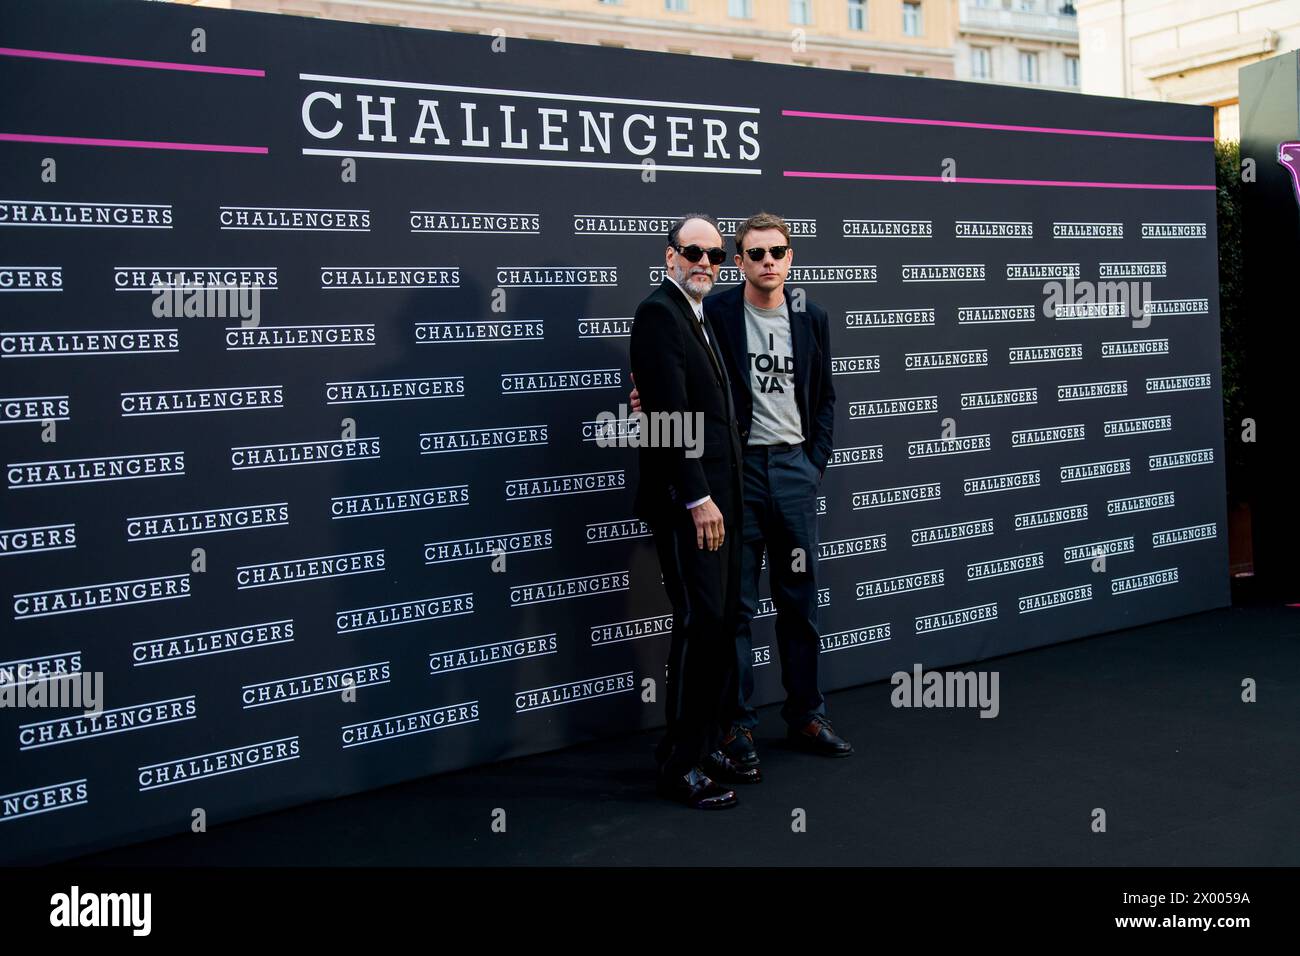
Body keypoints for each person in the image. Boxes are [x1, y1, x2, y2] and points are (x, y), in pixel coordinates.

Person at [631, 211, 852, 774]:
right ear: (742, 262)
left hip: (795, 471)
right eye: (753, 254)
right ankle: (735, 727)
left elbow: (824, 396)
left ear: (790, 257)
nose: (767, 263)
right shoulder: (715, 312)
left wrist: (813, 460)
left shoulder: (811, 317)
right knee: (733, 609)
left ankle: (806, 713)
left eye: (776, 252)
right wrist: (649, 406)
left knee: (800, 602)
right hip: (737, 474)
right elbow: (680, 386)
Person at [629, 213, 759, 810]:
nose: (704, 261)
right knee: (697, 624)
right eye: (692, 251)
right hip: (694, 502)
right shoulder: (659, 313)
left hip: (721, 496)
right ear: (670, 255)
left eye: (714, 253)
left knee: (718, 623)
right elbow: (666, 418)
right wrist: (697, 497)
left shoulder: (698, 315)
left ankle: (705, 745)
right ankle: (679, 765)